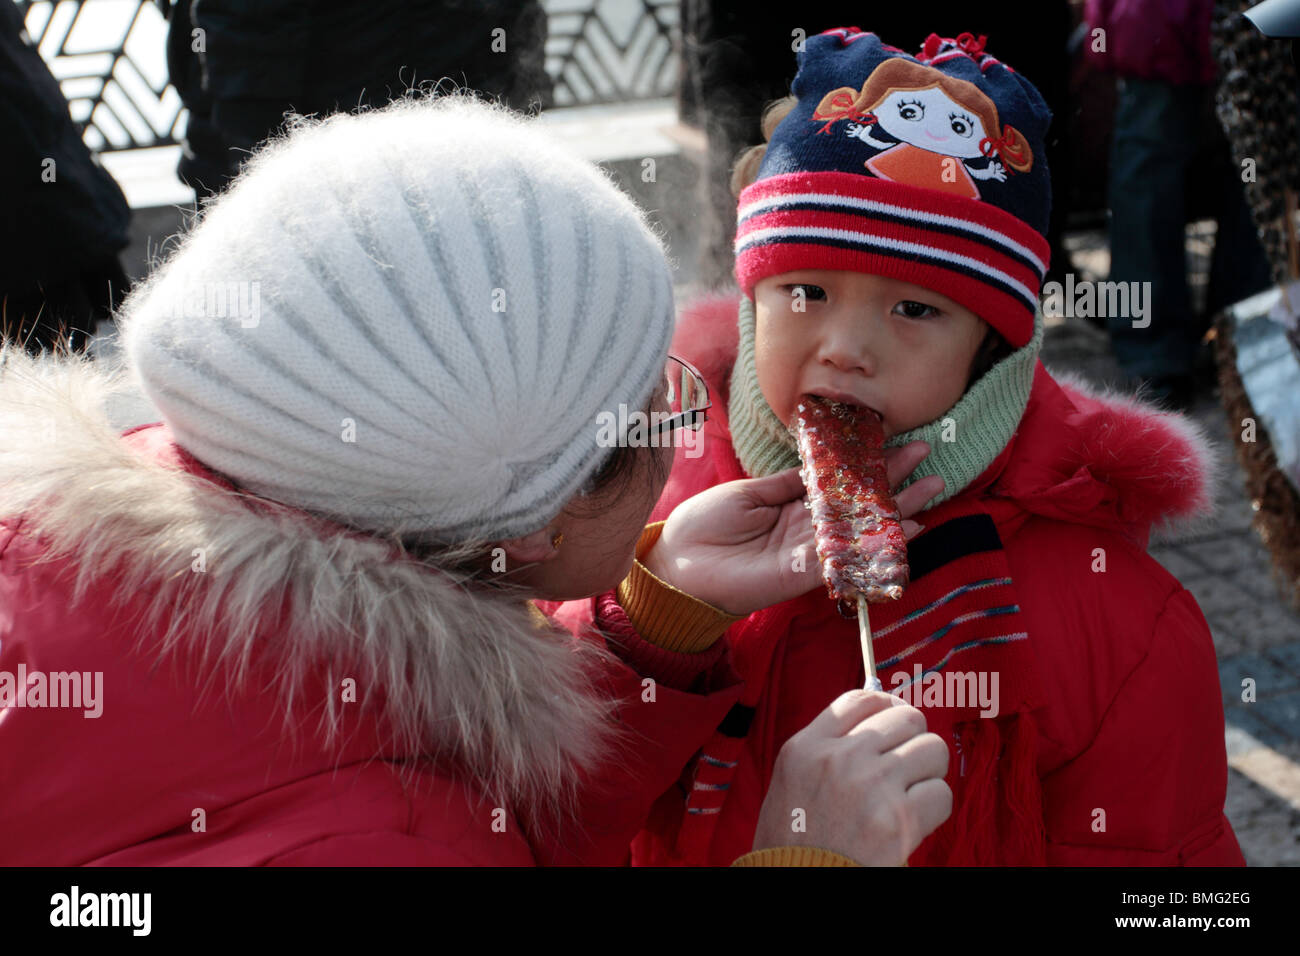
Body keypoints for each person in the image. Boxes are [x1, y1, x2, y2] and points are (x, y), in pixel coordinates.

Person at [0, 94, 950, 866]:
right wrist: (809, 854)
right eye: (656, 404)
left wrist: (655, 626)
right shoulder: (370, 838)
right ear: (535, 522)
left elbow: (480, 799)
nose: (684, 417)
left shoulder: (72, 550)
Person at [633, 28, 1243, 866]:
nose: (847, 347)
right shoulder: (649, 518)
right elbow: (550, 797)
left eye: (915, 309)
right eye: (804, 290)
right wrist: (658, 618)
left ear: (992, 348)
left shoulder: (1120, 625)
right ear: (749, 300)